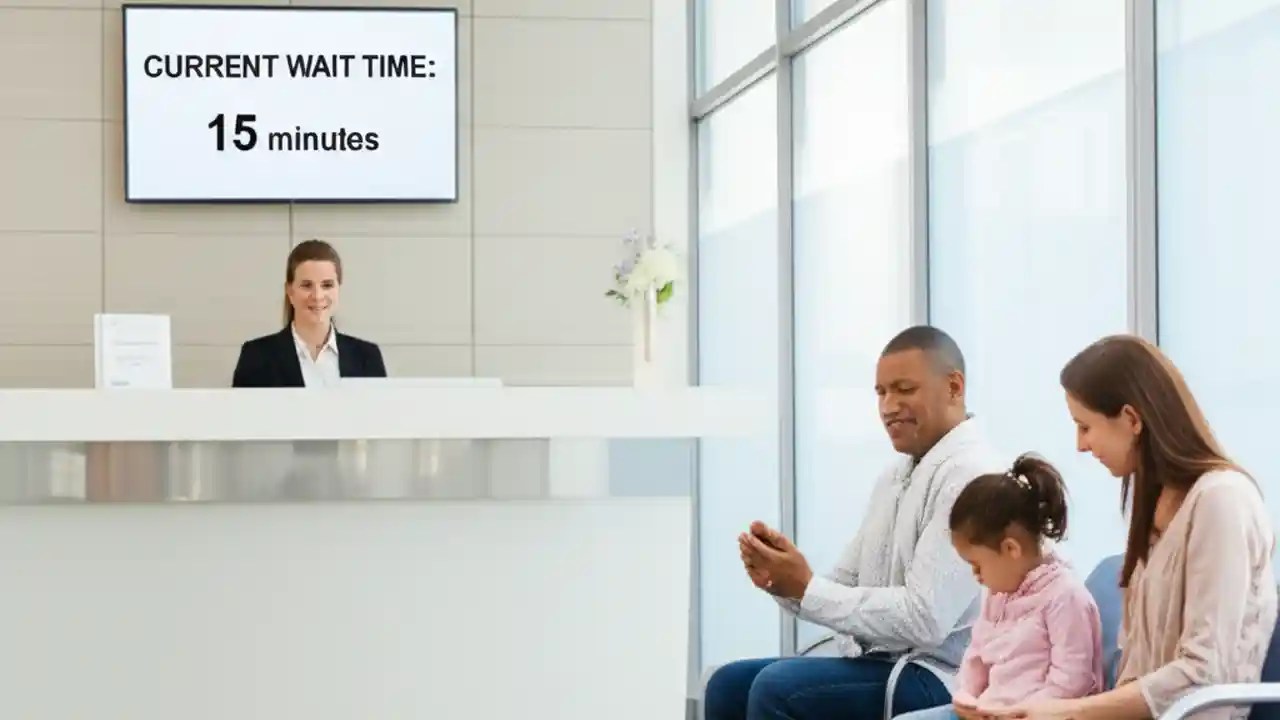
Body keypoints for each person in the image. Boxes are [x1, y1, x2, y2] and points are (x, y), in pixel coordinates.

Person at [708, 325, 1004, 720]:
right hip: (883, 661)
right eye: (881, 392)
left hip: (940, 676)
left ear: (954, 387)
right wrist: (785, 581)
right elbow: (842, 584)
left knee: (776, 689)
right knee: (727, 684)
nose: (888, 406)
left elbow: (924, 619)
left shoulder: (972, 476)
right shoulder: (896, 476)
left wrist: (808, 588)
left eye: (904, 389)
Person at [991, 334, 1277, 720]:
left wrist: (1070, 712)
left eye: (1085, 426)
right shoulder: (1154, 502)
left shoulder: (1221, 500)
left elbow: (1204, 673)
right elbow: (1137, 666)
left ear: (1131, 419)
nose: (1080, 445)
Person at [905, 453, 1102, 720]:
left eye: (977, 565)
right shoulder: (999, 595)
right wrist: (966, 697)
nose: (975, 575)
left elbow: (1072, 682)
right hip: (990, 711)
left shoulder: (1065, 597)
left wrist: (1017, 712)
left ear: (1011, 549)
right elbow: (976, 656)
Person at [232, 239, 386, 388]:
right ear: (290, 291)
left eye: (327, 285)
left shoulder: (367, 357)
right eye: (306, 285)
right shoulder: (256, 357)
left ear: (339, 288)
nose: (318, 296)